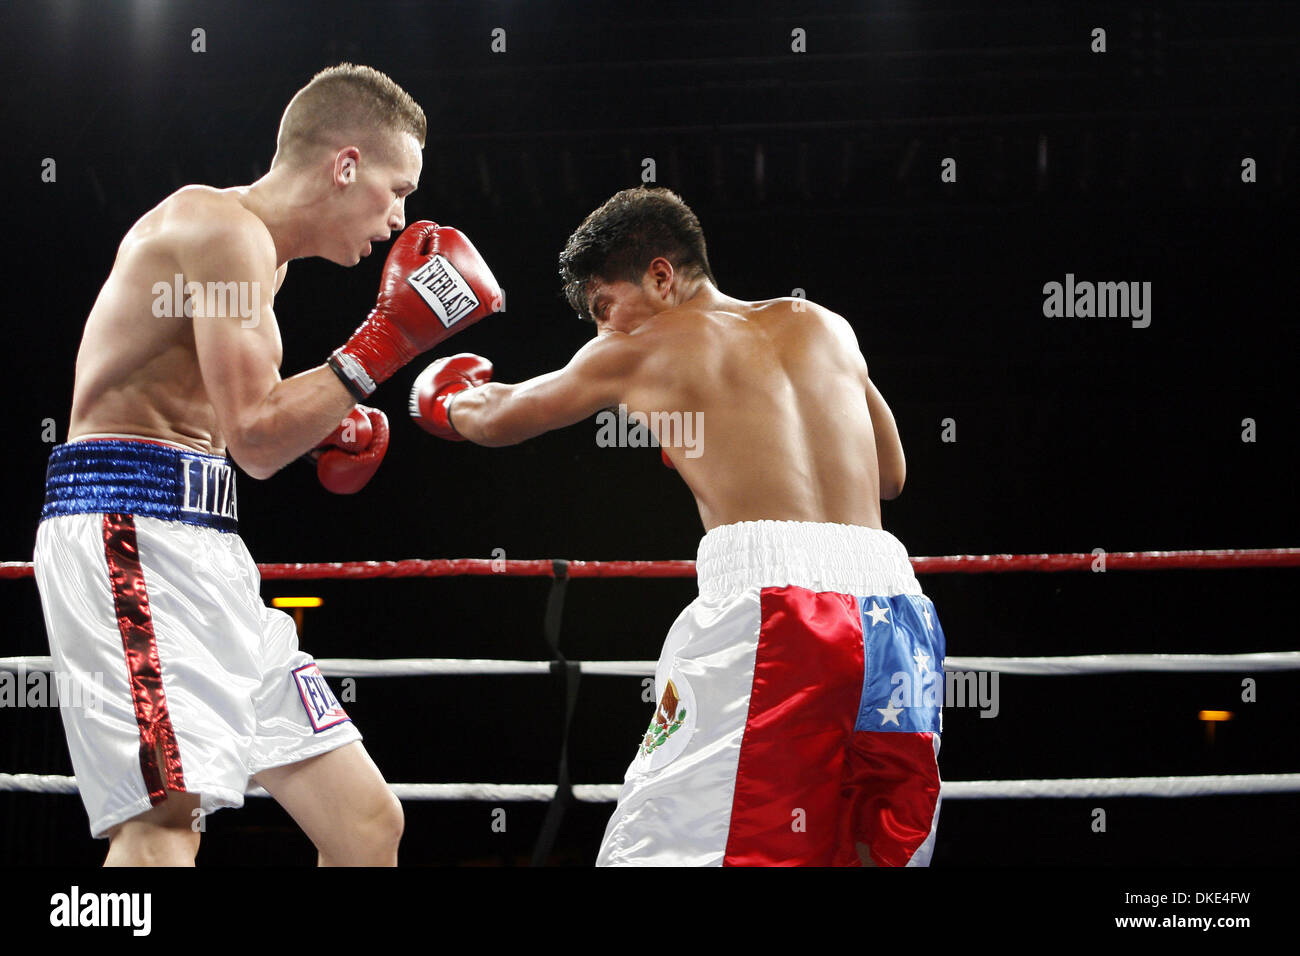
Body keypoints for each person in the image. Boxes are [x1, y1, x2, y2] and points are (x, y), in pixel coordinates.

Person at [33, 63, 502, 866]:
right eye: (396, 189)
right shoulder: (219, 229)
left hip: (204, 543)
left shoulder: (260, 258)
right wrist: (385, 344)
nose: (399, 218)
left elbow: (235, 424)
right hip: (126, 531)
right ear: (345, 164)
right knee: (163, 825)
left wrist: (324, 423)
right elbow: (254, 438)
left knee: (364, 823)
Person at [409, 186, 944, 866]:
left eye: (605, 307)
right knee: (868, 845)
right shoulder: (824, 325)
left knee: (667, 844)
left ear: (661, 276)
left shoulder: (642, 346)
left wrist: (442, 399)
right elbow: (891, 476)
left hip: (776, 618)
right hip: (896, 613)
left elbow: (500, 416)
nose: (603, 332)